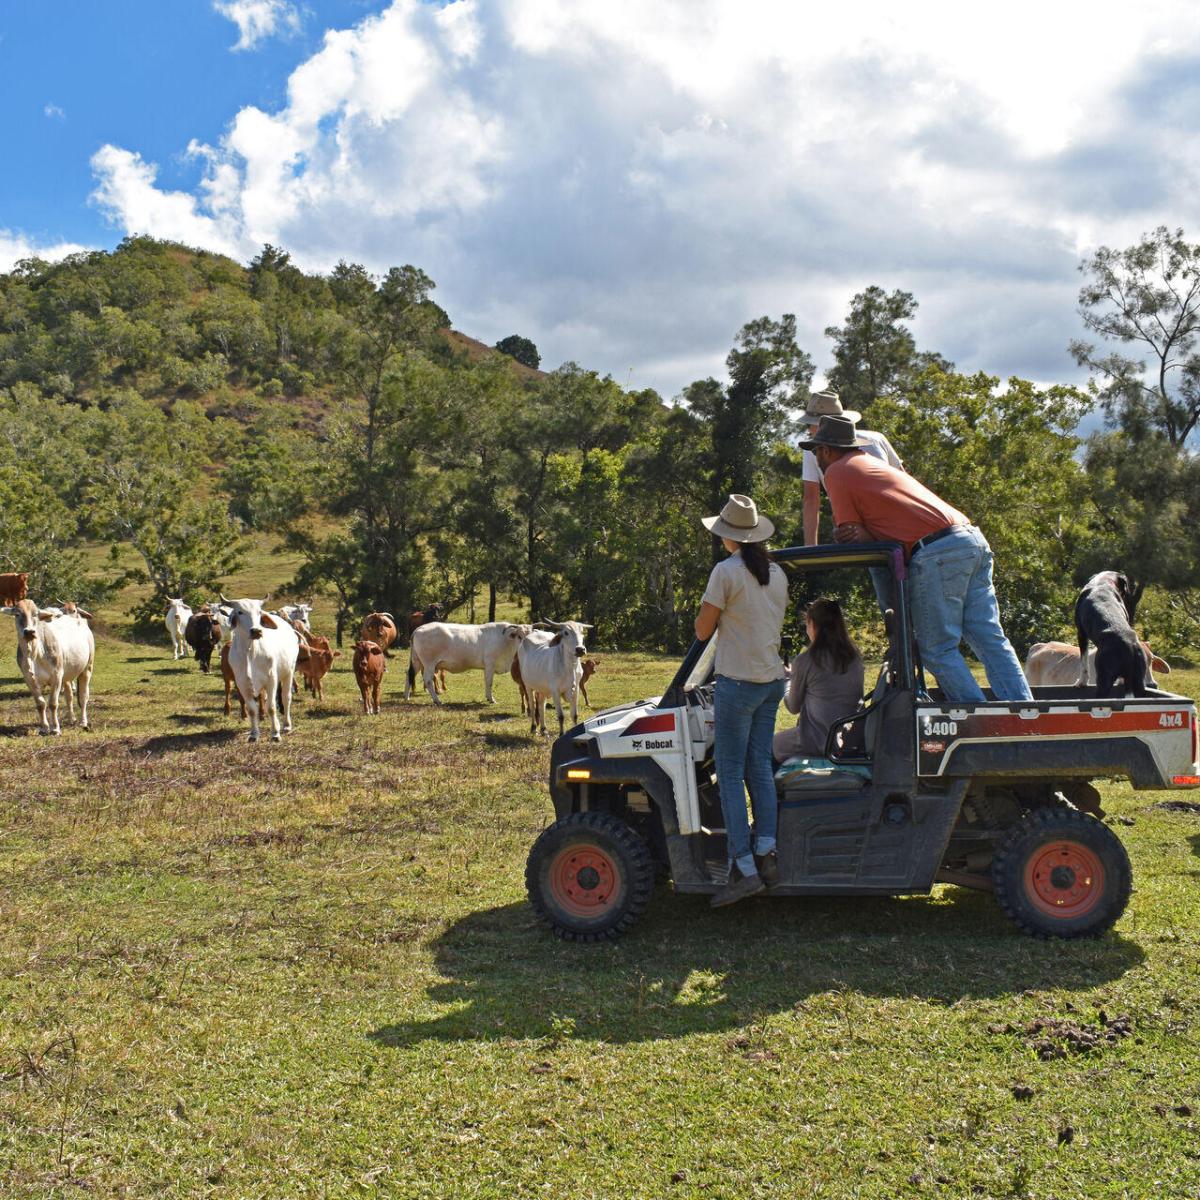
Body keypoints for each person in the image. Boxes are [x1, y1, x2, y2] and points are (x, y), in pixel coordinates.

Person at [799, 414, 1032, 704]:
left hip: (937, 553)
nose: (816, 459)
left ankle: (980, 722)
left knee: (937, 649)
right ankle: (1024, 714)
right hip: (970, 539)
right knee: (989, 639)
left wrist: (852, 536)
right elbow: (877, 532)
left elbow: (851, 536)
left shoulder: (837, 471)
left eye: (815, 451)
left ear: (826, 450)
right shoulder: (872, 464)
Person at [694, 495, 788, 907]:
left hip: (738, 683)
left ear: (729, 537)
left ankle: (742, 867)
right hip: (771, 683)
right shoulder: (778, 573)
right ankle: (766, 851)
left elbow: (702, 632)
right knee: (758, 768)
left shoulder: (725, 572)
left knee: (729, 774)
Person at [800, 390, 903, 546]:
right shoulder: (877, 438)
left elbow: (811, 500)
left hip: (861, 529)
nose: (809, 430)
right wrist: (810, 550)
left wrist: (809, 549)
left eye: (811, 424)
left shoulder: (813, 450)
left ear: (825, 425)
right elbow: (903, 480)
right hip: (892, 524)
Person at [773, 598, 865, 762]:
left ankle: (773, 788)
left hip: (817, 739)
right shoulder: (855, 657)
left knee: (765, 746)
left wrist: (787, 680)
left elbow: (792, 706)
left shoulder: (806, 660)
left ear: (813, 625)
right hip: (850, 738)